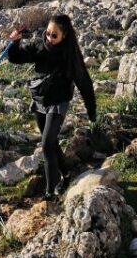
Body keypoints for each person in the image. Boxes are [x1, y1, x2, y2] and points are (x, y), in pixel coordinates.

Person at [8, 14, 96, 200]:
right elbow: (16, 58)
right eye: (47, 33)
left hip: (58, 102)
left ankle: (51, 191)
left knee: (47, 143)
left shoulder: (70, 55)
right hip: (40, 100)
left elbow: (84, 83)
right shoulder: (39, 47)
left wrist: (91, 111)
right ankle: (66, 174)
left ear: (64, 36)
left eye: (54, 35)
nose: (49, 38)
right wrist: (14, 43)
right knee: (52, 142)